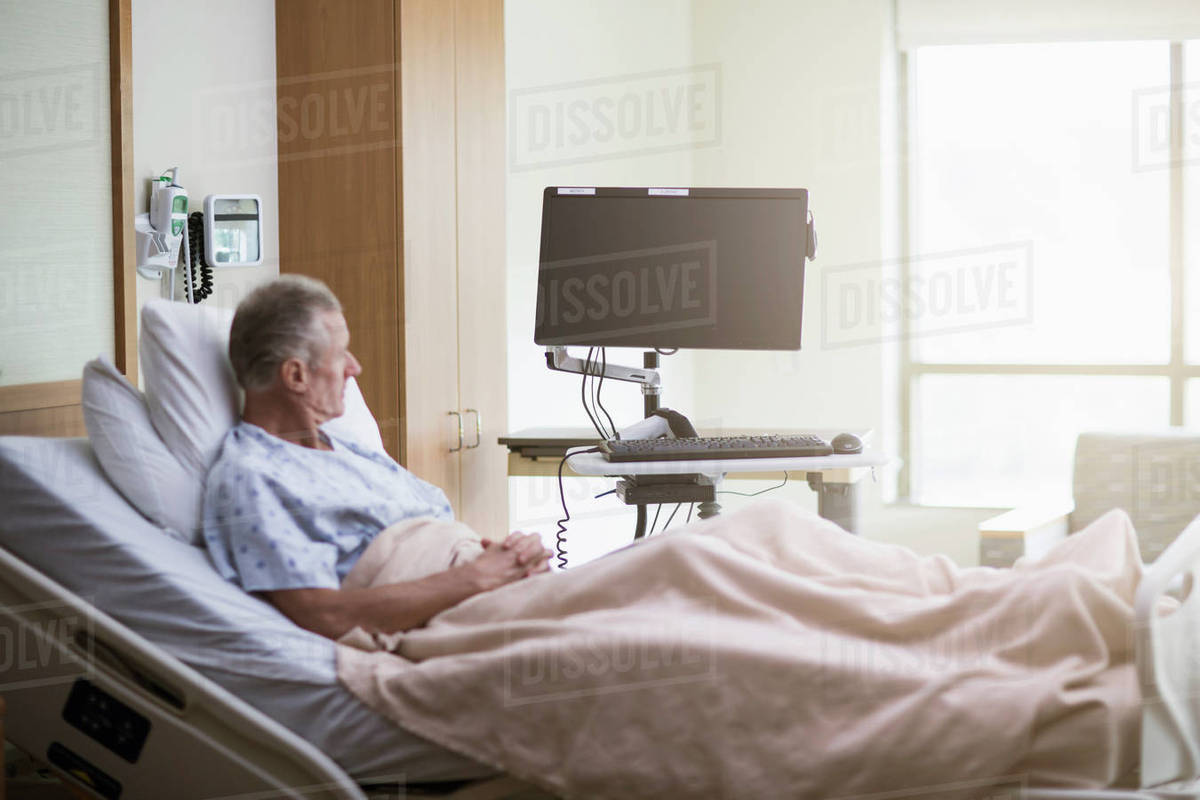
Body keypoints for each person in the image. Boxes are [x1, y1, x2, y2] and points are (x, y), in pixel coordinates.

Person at [202, 276, 552, 639]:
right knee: (613, 606)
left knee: (613, 586)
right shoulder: (252, 475)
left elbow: (434, 539)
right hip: (448, 616)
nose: (355, 368)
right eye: (340, 354)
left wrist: (509, 557)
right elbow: (322, 615)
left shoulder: (347, 448)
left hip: (481, 586)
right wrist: (478, 577)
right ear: (295, 375)